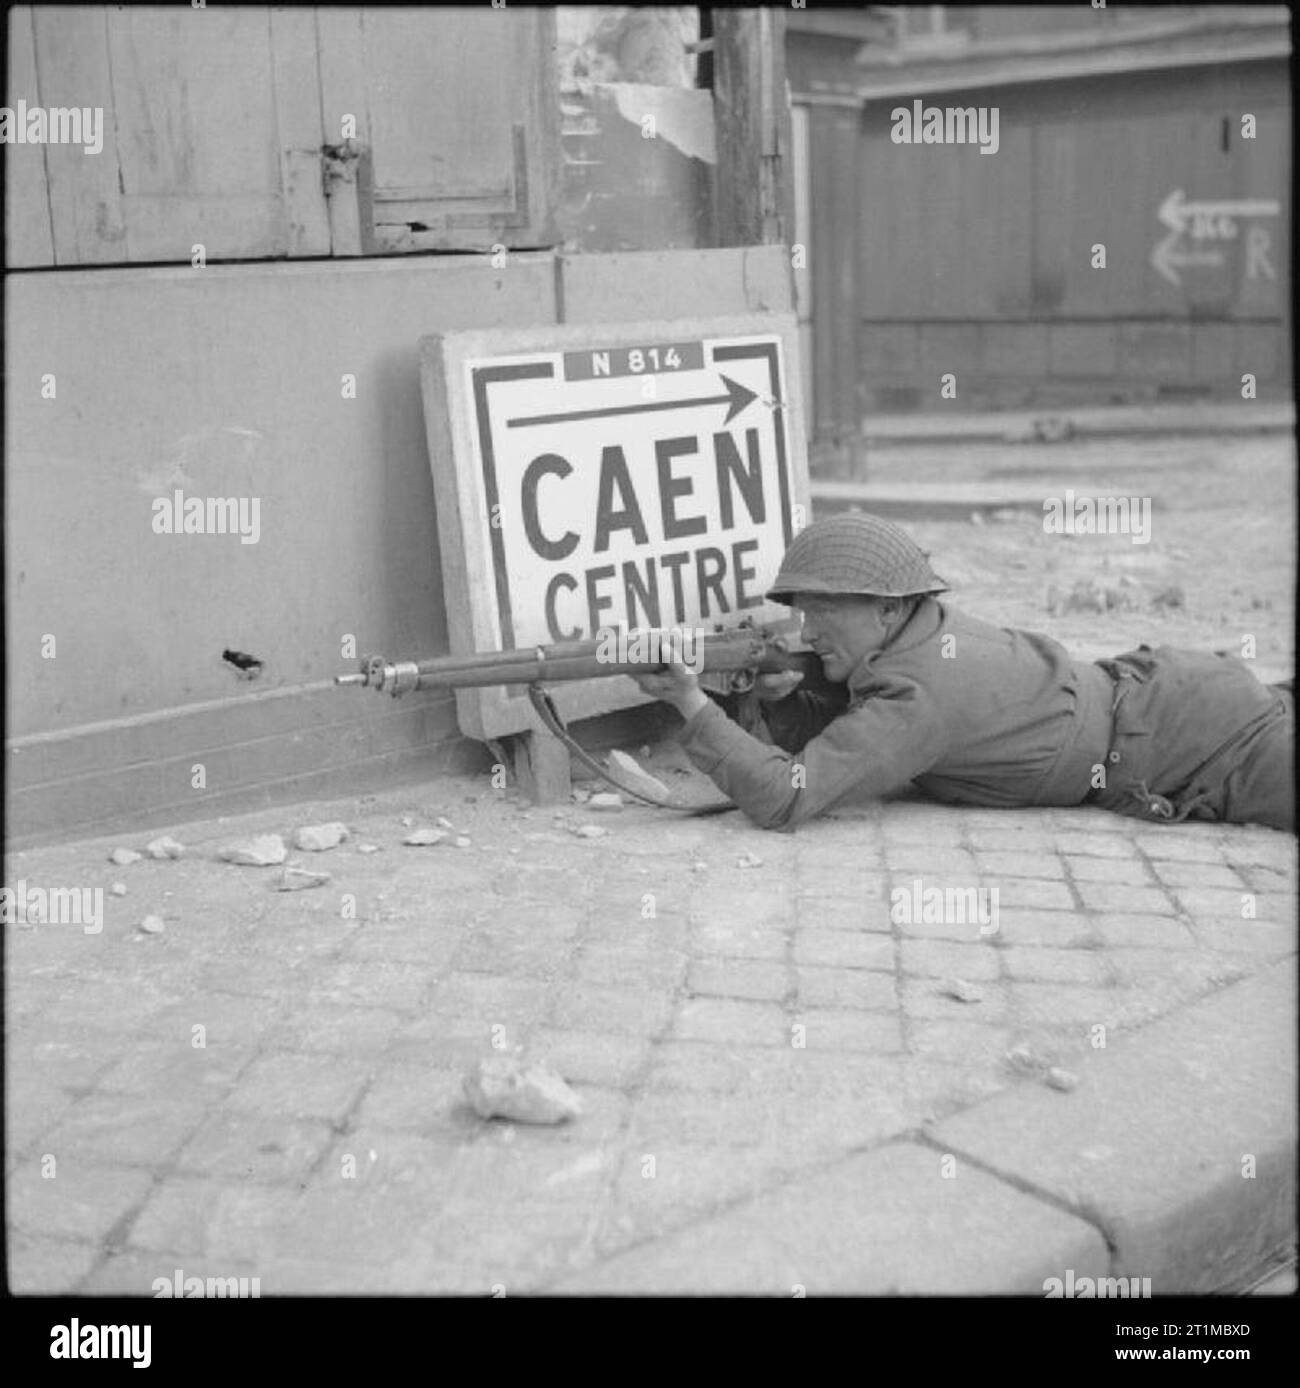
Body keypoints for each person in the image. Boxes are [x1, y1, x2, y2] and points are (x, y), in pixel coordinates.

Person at [629, 513, 1295, 833]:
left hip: (1202, 743)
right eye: (803, 612)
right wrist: (785, 697)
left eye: (825, 609)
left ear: (888, 609)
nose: (807, 632)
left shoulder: (920, 691)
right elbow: (853, 736)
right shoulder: (922, 636)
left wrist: (691, 703)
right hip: (1176, 696)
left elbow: (783, 798)